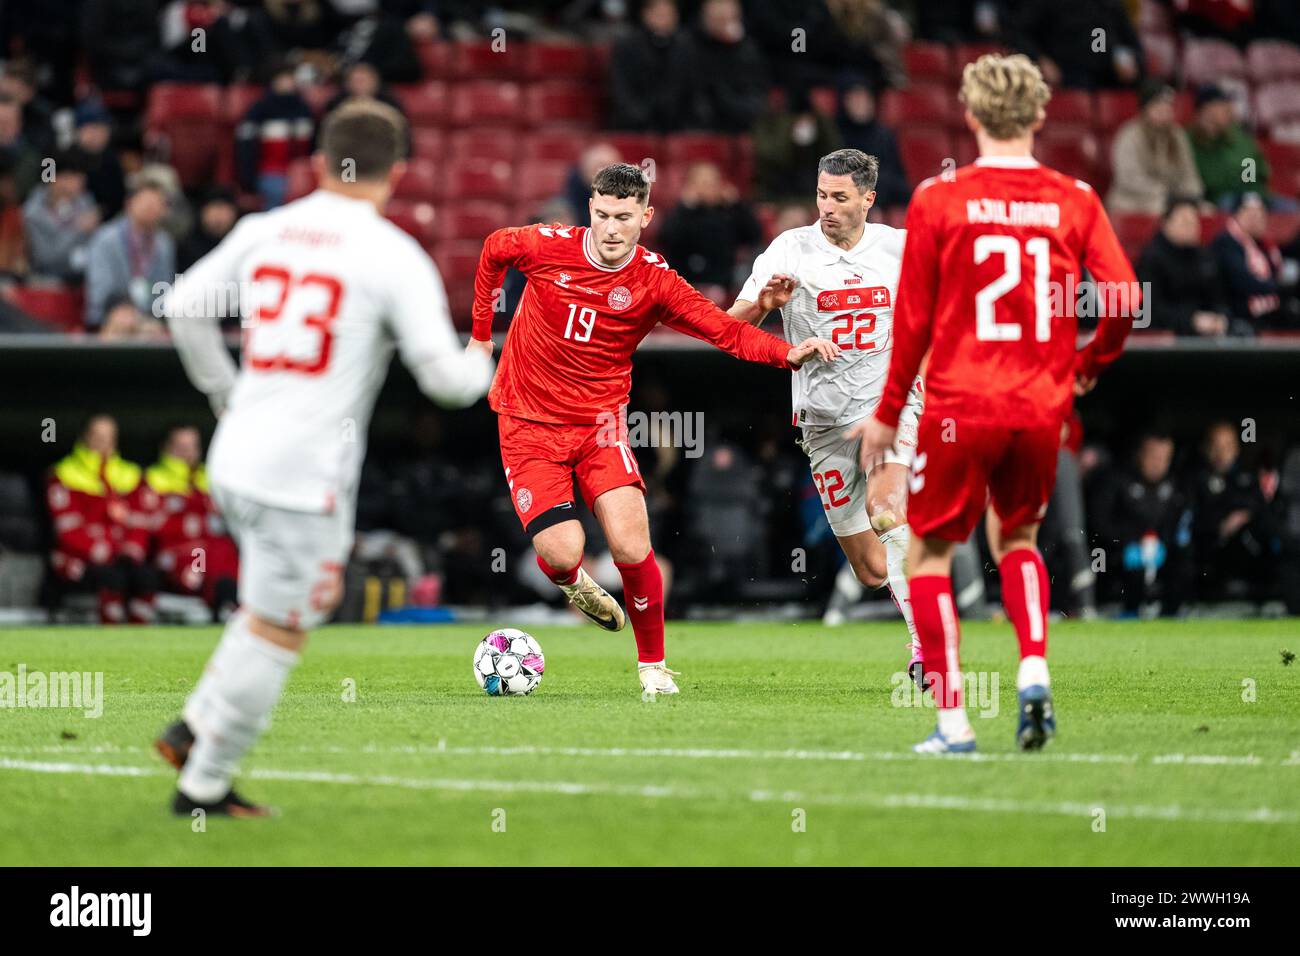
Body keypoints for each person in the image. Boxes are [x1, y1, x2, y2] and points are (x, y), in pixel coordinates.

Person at [157, 100, 494, 817]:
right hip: (299, 477)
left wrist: (226, 393)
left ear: (315, 162)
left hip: (235, 454)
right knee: (284, 625)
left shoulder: (264, 228)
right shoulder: (392, 254)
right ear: (398, 173)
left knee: (263, 608)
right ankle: (203, 787)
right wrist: (492, 361)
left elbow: (183, 306)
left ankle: (191, 727)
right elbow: (443, 380)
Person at [851, 54, 1138, 753]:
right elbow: (1125, 298)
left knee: (927, 556)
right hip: (1041, 406)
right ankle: (1033, 671)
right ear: (1040, 116)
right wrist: (1086, 365)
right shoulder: (1075, 197)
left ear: (972, 116)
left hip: (956, 405)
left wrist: (889, 412)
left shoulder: (938, 199)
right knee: (1017, 540)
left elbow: (914, 321)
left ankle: (953, 723)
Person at [469, 162, 838, 696]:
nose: (611, 228)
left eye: (624, 216)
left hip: (600, 428)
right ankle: (574, 584)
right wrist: (482, 337)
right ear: (589, 211)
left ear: (646, 215)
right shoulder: (548, 246)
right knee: (561, 552)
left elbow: (725, 333)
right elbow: (494, 248)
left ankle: (653, 668)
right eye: (601, 215)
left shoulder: (655, 281)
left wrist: (787, 352)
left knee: (631, 541)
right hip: (527, 423)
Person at [729, 147, 925, 685]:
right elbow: (728, 329)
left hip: (890, 407)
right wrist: (765, 303)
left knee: (888, 509)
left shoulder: (899, 249)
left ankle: (925, 647)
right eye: (821, 195)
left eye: (840, 197)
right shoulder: (790, 249)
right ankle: (923, 577)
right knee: (870, 569)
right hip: (823, 424)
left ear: (869, 198)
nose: (827, 207)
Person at [47, 414, 160, 624]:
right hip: (81, 557)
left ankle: (141, 638)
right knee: (111, 577)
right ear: (85, 437)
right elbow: (67, 530)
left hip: (121, 556)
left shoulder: (130, 474)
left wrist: (131, 549)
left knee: (146, 577)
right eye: (97, 436)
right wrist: (105, 549)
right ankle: (110, 635)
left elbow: (140, 522)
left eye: (109, 437)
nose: (103, 442)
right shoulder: (64, 473)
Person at [1090, 432, 1194, 616]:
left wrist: (1164, 545)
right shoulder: (1114, 481)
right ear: (1139, 454)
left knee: (1183, 563)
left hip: (1160, 556)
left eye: (1164, 458)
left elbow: (1181, 527)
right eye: (1153, 456)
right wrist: (1130, 544)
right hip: (1120, 555)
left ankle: (1170, 617)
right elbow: (1099, 525)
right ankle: (1125, 613)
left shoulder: (1176, 486)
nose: (1158, 463)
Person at [144, 424, 240, 621]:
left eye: (192, 447)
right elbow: (151, 523)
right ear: (167, 449)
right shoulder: (154, 479)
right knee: (200, 563)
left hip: (212, 549)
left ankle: (229, 606)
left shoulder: (210, 477)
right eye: (181, 447)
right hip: (177, 552)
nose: (188, 453)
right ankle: (211, 606)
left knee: (232, 559)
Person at [657, 161, 761, 302]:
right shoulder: (683, 213)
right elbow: (667, 239)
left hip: (727, 278)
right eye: (705, 183)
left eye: (715, 183)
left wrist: (737, 205)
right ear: (692, 186)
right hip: (690, 279)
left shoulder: (729, 211)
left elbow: (754, 236)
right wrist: (685, 207)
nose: (711, 188)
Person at [84, 172, 176, 330]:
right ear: (129, 204)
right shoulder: (105, 239)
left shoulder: (164, 244)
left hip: (149, 322)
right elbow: (100, 293)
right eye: (146, 203)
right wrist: (130, 316)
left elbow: (164, 292)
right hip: (109, 319)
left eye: (157, 204)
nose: (151, 209)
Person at [1136, 196, 1232, 336]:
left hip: (1208, 335)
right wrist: (1191, 320)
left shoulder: (1205, 257)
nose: (1191, 227)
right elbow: (1148, 311)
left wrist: (1221, 317)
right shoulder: (1151, 259)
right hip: (1166, 338)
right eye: (1184, 222)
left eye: (1194, 222)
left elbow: (1219, 298)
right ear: (1166, 224)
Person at [1106, 81, 1203, 216]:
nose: (1164, 112)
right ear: (1145, 109)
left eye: (1168, 107)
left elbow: (1189, 173)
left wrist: (1192, 194)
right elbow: (1129, 179)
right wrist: (1165, 193)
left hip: (1174, 199)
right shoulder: (1129, 135)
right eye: (1158, 106)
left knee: (1206, 211)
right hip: (1134, 201)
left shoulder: (1177, 135)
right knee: (1165, 212)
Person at [235, 61, 314, 210]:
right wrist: (248, 181)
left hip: (301, 170)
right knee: (277, 192)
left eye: (290, 78)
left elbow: (313, 145)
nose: (288, 83)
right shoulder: (259, 110)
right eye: (283, 78)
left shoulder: (305, 109)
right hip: (271, 171)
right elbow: (246, 148)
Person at [608, 0, 691, 132]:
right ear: (645, 15)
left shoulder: (685, 48)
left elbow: (689, 90)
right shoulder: (627, 47)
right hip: (634, 123)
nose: (665, 20)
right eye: (659, 14)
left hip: (675, 124)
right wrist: (638, 116)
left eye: (669, 14)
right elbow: (621, 89)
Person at [1211, 192, 1289, 330]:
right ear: (1237, 215)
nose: (1256, 219)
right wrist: (1282, 288)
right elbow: (1242, 280)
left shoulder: (1266, 244)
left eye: (1260, 214)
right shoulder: (1226, 242)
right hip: (1239, 313)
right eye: (1250, 214)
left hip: (1271, 310)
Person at [1186, 83, 1271, 209]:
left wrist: (1251, 194)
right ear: (1205, 110)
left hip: (1250, 194)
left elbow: (1252, 164)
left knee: (1290, 208)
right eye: (1222, 107)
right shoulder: (1190, 140)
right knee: (1227, 203)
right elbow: (1208, 181)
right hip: (1217, 199)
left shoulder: (1238, 136)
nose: (1229, 110)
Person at [22, 147, 100, 281]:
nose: (81, 181)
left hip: (85, 278)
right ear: (56, 179)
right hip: (47, 282)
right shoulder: (33, 213)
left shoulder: (85, 202)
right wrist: (79, 230)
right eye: (73, 176)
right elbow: (45, 259)